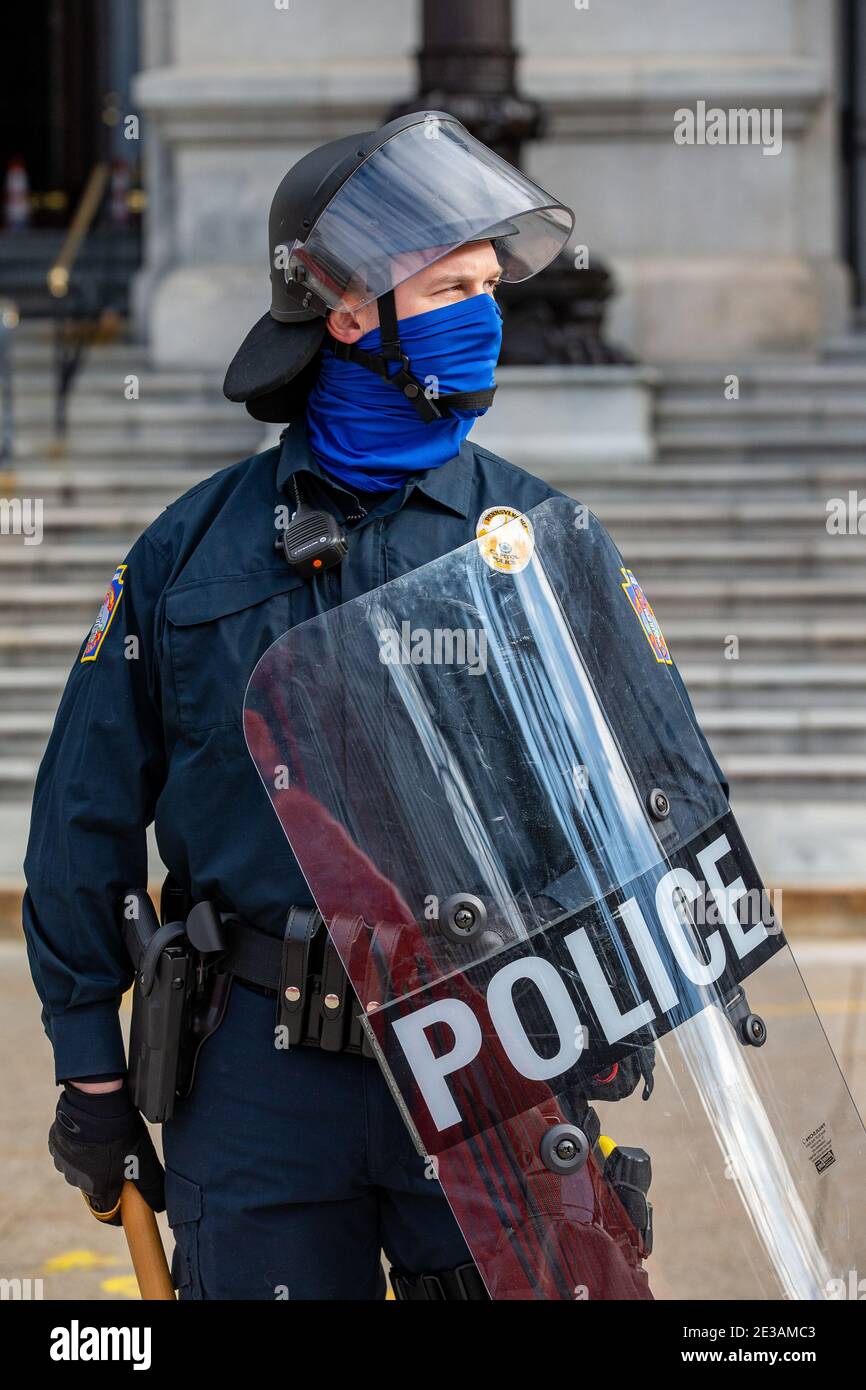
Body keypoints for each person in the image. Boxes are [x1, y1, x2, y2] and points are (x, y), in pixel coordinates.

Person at [24, 111, 724, 1300]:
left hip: (497, 1051)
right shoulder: (186, 556)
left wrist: (606, 998)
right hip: (254, 1077)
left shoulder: (541, 545)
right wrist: (90, 1067)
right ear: (346, 309)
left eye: (490, 284)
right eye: (452, 282)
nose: (486, 308)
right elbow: (80, 817)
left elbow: (666, 802)